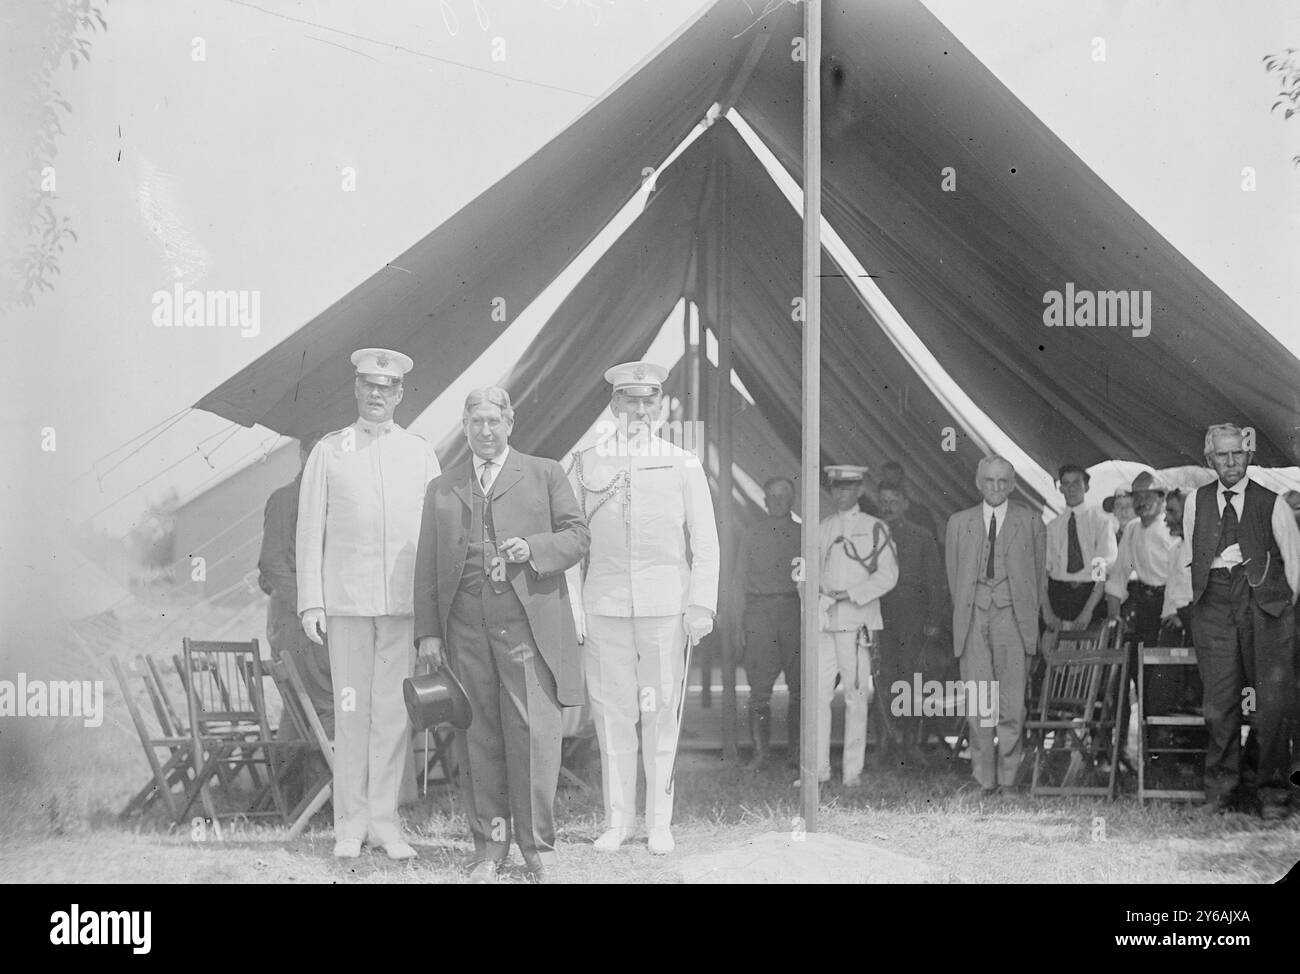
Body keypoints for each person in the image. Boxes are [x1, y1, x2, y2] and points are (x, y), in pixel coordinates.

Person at [413, 387, 589, 883]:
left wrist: (531, 548)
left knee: (533, 733)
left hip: (526, 628)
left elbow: (578, 536)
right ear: (465, 427)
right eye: (476, 422)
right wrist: (428, 633)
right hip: (465, 629)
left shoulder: (544, 473)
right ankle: (490, 848)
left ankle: (538, 849)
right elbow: (426, 566)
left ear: (510, 422)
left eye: (494, 420)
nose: (485, 431)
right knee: (479, 736)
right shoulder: (441, 489)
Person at [565, 362, 719, 855]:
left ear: (661, 406)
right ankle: (617, 821)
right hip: (604, 605)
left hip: (664, 607)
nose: (638, 408)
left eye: (647, 400)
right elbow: (569, 542)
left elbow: (706, 541)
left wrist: (701, 603)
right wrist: (574, 606)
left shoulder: (682, 462)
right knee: (612, 716)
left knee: (659, 715)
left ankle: (659, 822)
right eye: (628, 400)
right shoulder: (587, 462)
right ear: (614, 405)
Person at [296, 348, 441, 859]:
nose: (378, 394)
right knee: (352, 711)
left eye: (388, 387)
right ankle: (349, 827)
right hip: (348, 602)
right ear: (356, 389)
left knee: (392, 715)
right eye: (368, 385)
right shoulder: (330, 451)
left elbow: (433, 536)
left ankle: (385, 821)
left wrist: (431, 609)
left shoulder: (419, 452)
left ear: (400, 394)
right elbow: (310, 528)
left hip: (401, 603)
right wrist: (311, 602)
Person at [1170, 424, 1300, 817]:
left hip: (1264, 603)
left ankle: (1273, 794)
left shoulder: (1272, 502)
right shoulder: (1196, 500)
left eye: (1237, 454)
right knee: (1219, 701)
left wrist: (1275, 607)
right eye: (1222, 455)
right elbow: (1195, 554)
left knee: (1273, 702)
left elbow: (1294, 568)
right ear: (1209, 460)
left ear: (1248, 456)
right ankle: (1221, 793)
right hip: (1214, 601)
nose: (1230, 462)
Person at [946, 455, 1046, 795]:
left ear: (1013, 484)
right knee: (977, 705)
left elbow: (1037, 581)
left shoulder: (1031, 521)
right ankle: (982, 780)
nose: (996, 488)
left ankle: (1008, 780)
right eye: (989, 480)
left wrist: (1027, 625)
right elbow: (954, 578)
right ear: (978, 482)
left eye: (1003, 481)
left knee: (1011, 704)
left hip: (1012, 620)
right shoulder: (958, 523)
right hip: (974, 618)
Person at [811, 465, 899, 787]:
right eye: (836, 487)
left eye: (847, 487)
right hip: (825, 622)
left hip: (856, 621)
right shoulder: (822, 528)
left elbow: (887, 575)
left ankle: (852, 772)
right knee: (817, 695)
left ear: (860, 490)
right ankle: (818, 770)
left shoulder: (875, 528)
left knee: (855, 695)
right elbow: (813, 571)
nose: (840, 493)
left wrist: (851, 593)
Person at [1105, 471, 1180, 765]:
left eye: (1148, 496)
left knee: (1162, 687)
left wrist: (1174, 612)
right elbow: (1119, 575)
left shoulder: (1173, 528)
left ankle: (1164, 760)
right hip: (1142, 610)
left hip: (1171, 610)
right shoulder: (1133, 530)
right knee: (1133, 680)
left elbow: (1180, 576)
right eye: (1136, 498)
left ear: (1162, 499)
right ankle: (1132, 757)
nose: (1142, 503)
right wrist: (1113, 614)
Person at [732, 476, 802, 772]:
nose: (777, 501)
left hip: (793, 611)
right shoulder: (751, 534)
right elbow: (738, 580)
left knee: (800, 688)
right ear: (763, 500)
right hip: (759, 613)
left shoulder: (804, 534)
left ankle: (797, 754)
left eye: (783, 496)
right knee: (759, 689)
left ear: (792, 500)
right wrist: (737, 622)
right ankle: (761, 755)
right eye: (772, 496)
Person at [876, 481, 946, 761]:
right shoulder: (871, 534)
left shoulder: (922, 536)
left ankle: (911, 744)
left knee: (912, 679)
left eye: (894, 500)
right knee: (883, 679)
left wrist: (933, 620)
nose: (887, 506)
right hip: (880, 615)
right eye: (883, 501)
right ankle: (885, 744)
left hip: (913, 617)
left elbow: (935, 582)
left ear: (906, 504)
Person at [1044, 464, 1116, 631]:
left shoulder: (1101, 524)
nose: (1071, 489)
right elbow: (1043, 573)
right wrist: (1047, 612)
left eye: (1076, 483)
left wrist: (1087, 611)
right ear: (1060, 488)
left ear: (1087, 487)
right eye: (1066, 483)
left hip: (1089, 596)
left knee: (1085, 653)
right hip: (1058, 596)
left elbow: (1101, 573)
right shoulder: (1052, 527)